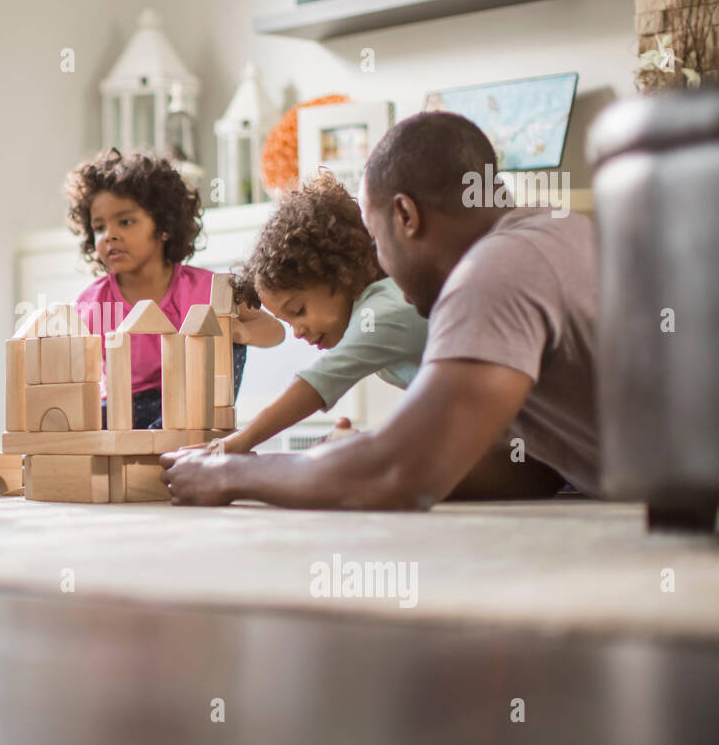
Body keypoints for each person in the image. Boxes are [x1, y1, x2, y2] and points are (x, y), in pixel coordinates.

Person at [161, 111, 599, 507]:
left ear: (405, 215)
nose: (379, 263)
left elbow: (399, 474)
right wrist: (354, 454)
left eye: (376, 238)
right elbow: (524, 469)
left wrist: (230, 472)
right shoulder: (562, 230)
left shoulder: (492, 272)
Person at [203, 172, 426, 454]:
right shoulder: (380, 304)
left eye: (298, 310)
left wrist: (235, 442)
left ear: (339, 272)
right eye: (287, 321)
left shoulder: (385, 312)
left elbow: (320, 379)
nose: (297, 331)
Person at [65, 149, 284, 429]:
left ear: (163, 228)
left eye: (125, 221)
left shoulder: (205, 288)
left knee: (227, 337)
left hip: (190, 407)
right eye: (99, 227)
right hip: (121, 412)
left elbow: (275, 332)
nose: (110, 235)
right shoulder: (93, 302)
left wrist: (239, 331)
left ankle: (172, 436)